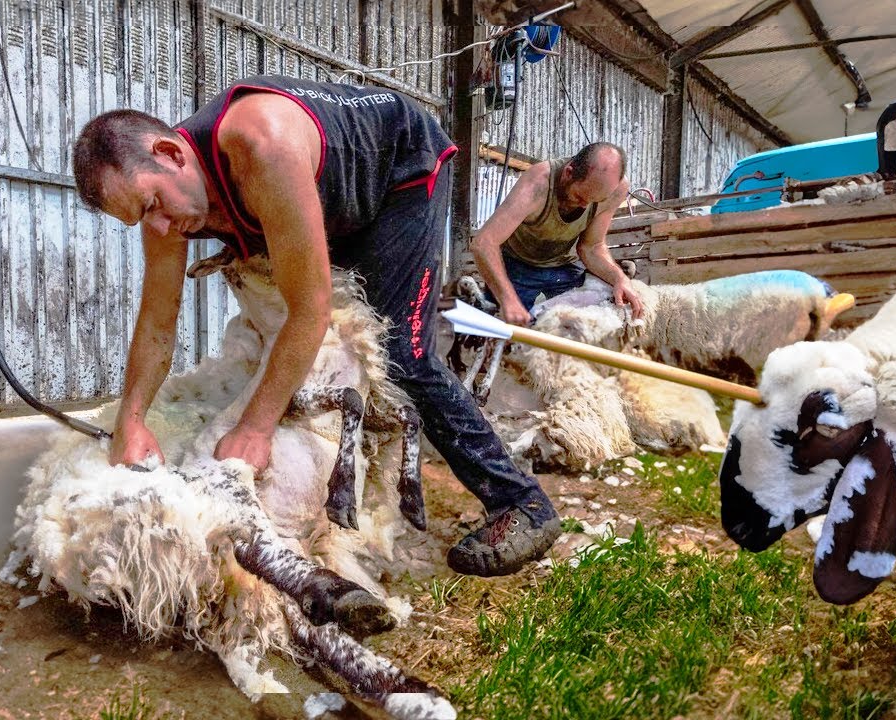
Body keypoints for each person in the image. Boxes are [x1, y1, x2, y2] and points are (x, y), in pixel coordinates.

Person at [70, 75, 561, 578]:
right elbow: (157, 320)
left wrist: (254, 429)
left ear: (171, 154)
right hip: (323, 194)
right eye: (139, 220)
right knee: (309, 355)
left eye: (152, 205)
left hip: (399, 171)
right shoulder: (168, 208)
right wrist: (131, 419)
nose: (158, 229)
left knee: (397, 354)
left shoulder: (261, 145)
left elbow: (312, 307)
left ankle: (521, 504)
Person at [472, 143, 645, 325]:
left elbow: (591, 247)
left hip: (564, 267)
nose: (585, 206)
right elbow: (484, 243)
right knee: (503, 332)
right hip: (518, 266)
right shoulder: (539, 183)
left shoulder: (616, 189)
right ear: (568, 173)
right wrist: (507, 299)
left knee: (598, 317)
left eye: (595, 201)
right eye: (579, 197)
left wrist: (619, 278)